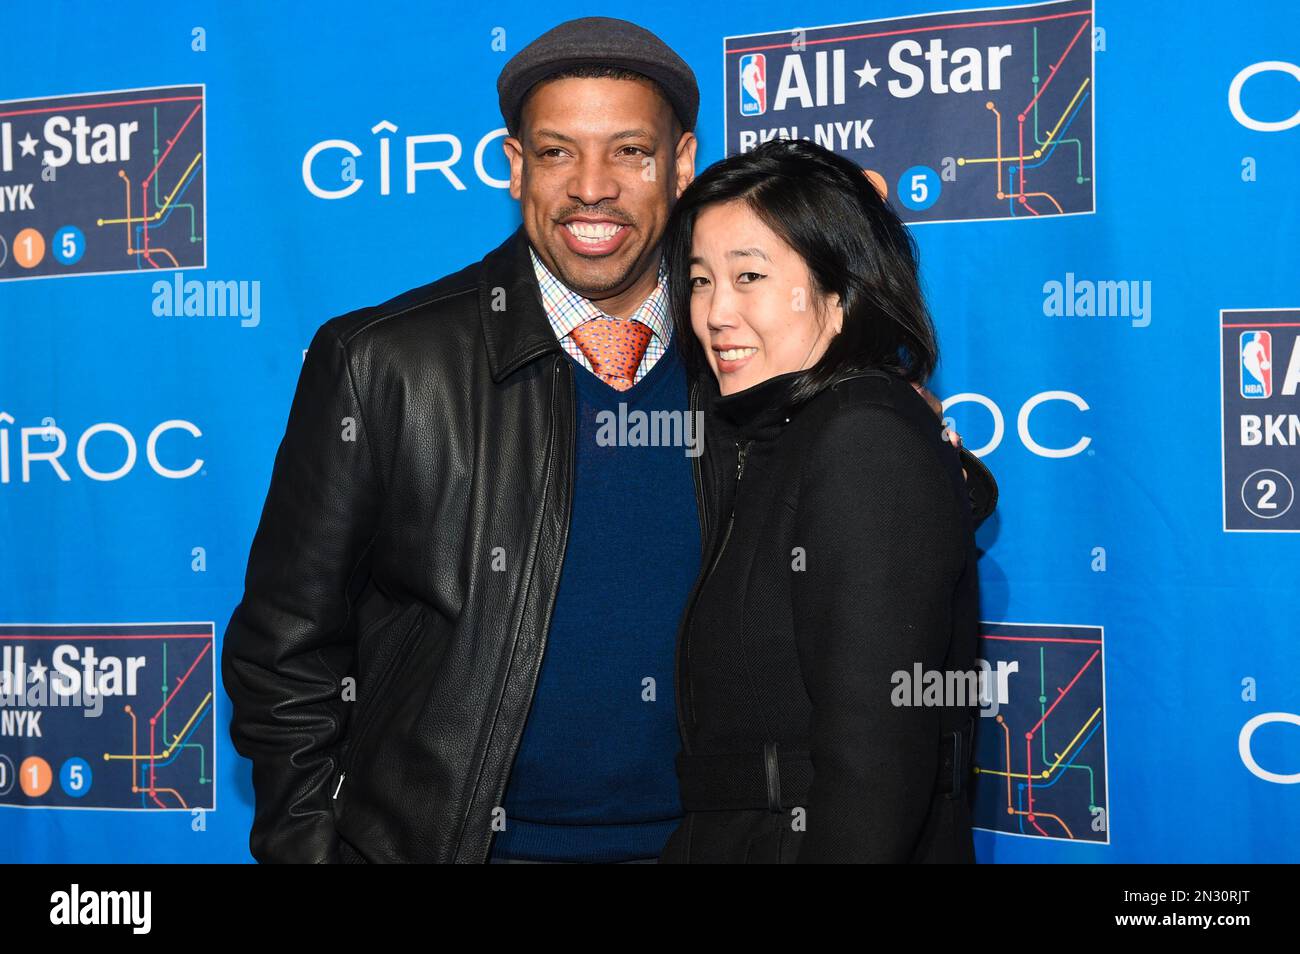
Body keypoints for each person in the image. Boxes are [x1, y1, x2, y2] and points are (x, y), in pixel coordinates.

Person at [221, 16, 994, 864]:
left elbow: (875, 521)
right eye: (556, 152)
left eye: (629, 151)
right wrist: (312, 849)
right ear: (515, 167)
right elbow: (283, 649)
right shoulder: (385, 364)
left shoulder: (745, 357)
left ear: (681, 162)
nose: (593, 187)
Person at [657, 137, 987, 863]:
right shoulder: (773, 434)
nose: (715, 312)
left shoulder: (862, 437)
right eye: (701, 280)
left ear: (841, 293)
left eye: (750, 276)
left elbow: (875, 767)